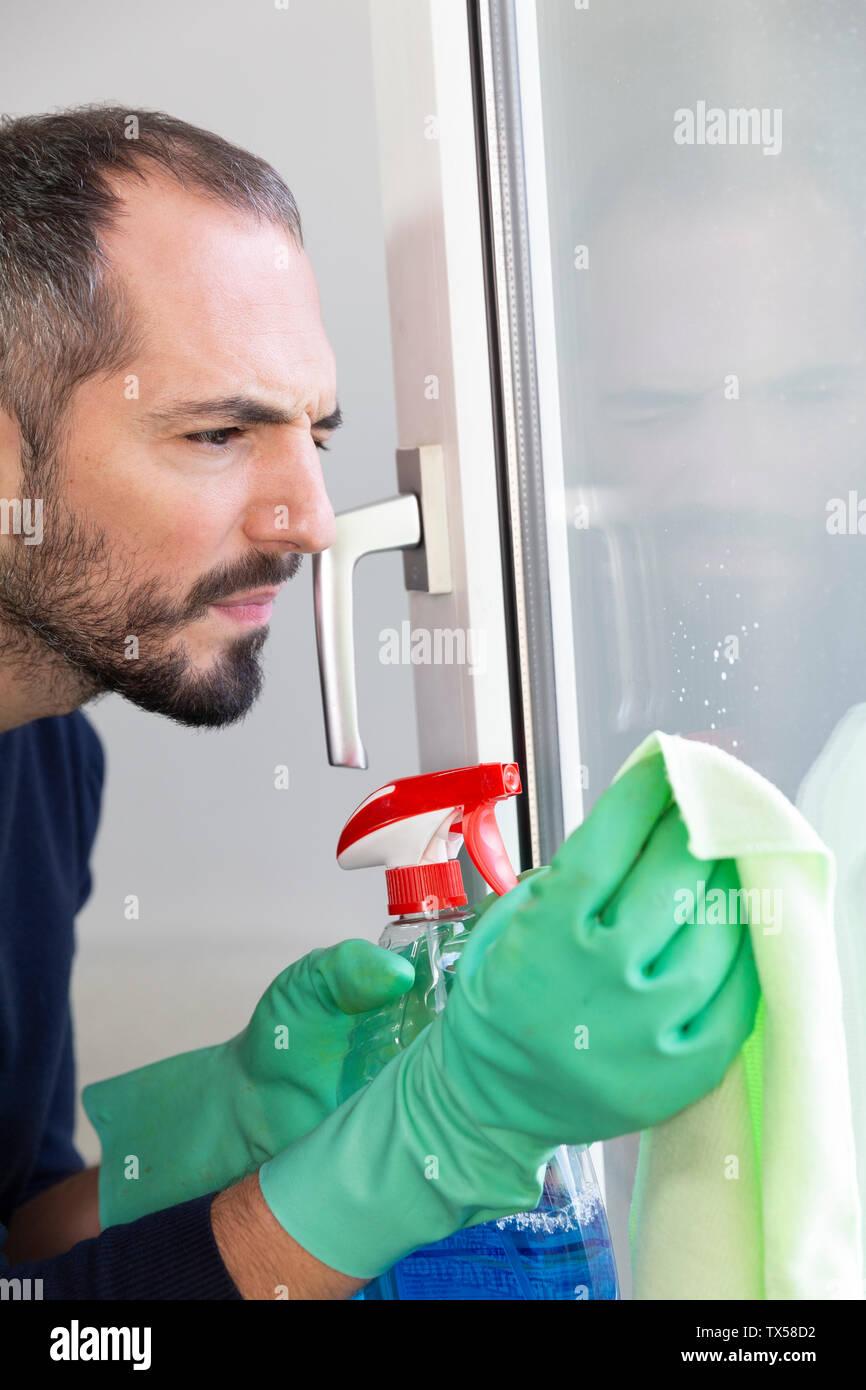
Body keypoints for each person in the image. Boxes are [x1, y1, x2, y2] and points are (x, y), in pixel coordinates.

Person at [0, 105, 759, 1299]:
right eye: (215, 431)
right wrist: (432, 1138)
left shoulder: (40, 759)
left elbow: (19, 1247)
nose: (309, 517)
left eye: (314, 435)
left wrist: (222, 1125)